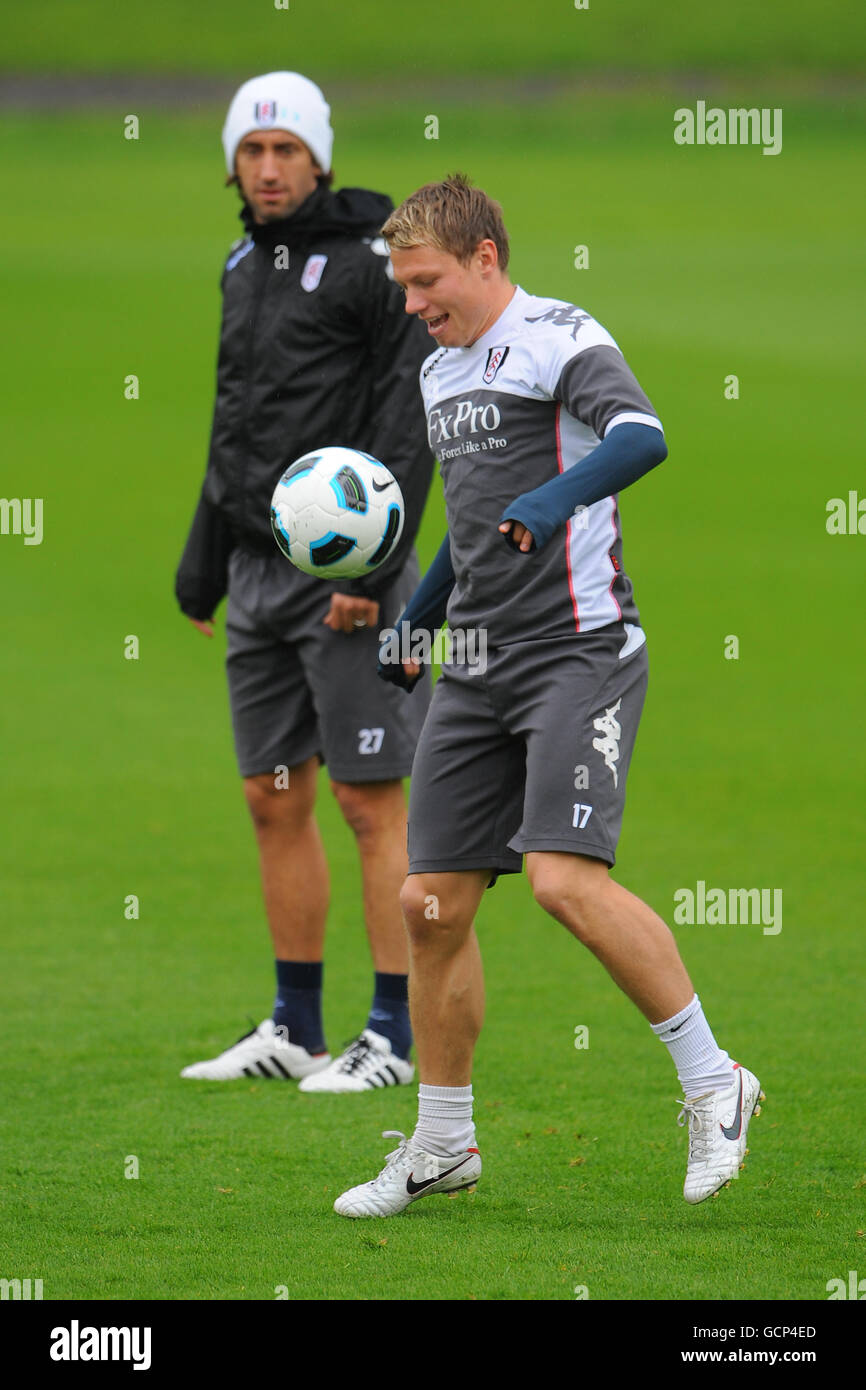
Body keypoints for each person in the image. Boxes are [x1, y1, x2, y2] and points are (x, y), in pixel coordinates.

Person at [333, 174, 763, 1215]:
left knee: (566, 884)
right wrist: (417, 617)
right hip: (474, 665)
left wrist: (555, 495)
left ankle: (715, 1083)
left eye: (424, 281)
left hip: (579, 651)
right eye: (400, 285)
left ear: (483, 258)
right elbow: (468, 528)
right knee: (428, 903)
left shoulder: (558, 336)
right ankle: (441, 1143)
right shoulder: (440, 370)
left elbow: (640, 436)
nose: (411, 303)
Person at [175, 72, 435, 1092]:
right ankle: (295, 1026)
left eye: (287, 150)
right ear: (234, 165)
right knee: (270, 796)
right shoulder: (243, 262)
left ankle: (392, 1034)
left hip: (349, 581)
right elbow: (232, 419)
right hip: (254, 573)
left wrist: (371, 572)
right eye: (252, 151)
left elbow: (404, 419)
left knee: (370, 804)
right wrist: (202, 562)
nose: (270, 167)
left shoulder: (373, 267)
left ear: (319, 158)